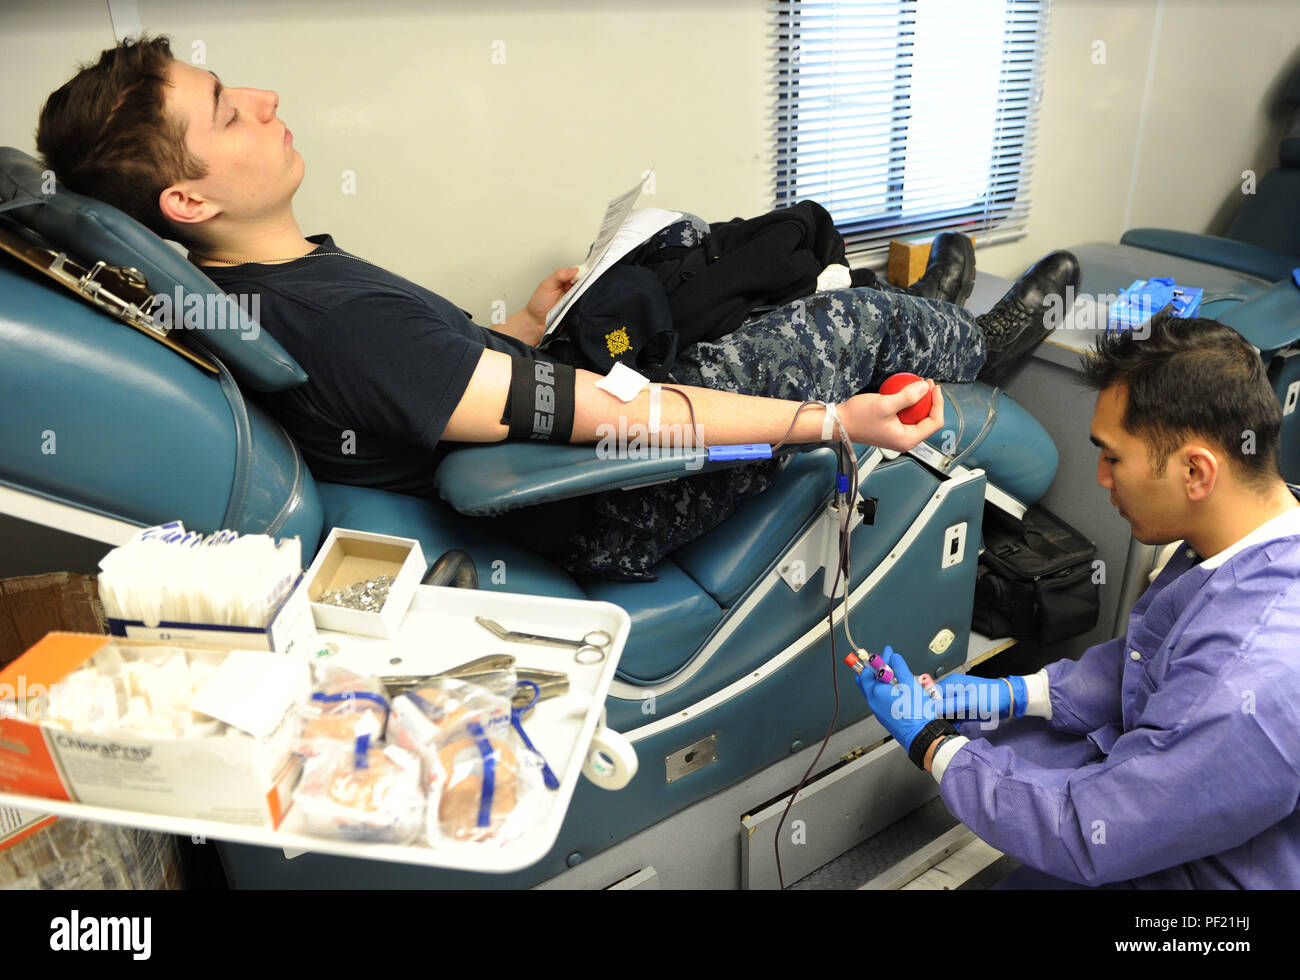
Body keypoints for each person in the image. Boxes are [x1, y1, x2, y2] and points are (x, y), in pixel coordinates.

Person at [35, 35, 1079, 580]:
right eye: (226, 111)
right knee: (850, 330)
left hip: (552, 436)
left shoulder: (267, 286)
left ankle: (927, 322)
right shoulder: (339, 325)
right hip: (608, 494)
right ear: (189, 200)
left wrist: (529, 332)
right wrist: (830, 422)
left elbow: (431, 385)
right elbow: (625, 418)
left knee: (680, 263)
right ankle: (964, 342)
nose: (261, 99)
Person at [856, 311, 1300, 888]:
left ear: (1196, 471)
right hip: (1180, 817)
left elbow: (1087, 826)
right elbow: (1155, 658)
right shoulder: (1256, 536)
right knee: (1003, 737)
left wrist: (931, 742)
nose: (1101, 478)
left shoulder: (1253, 669)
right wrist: (1016, 692)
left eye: (1113, 457)